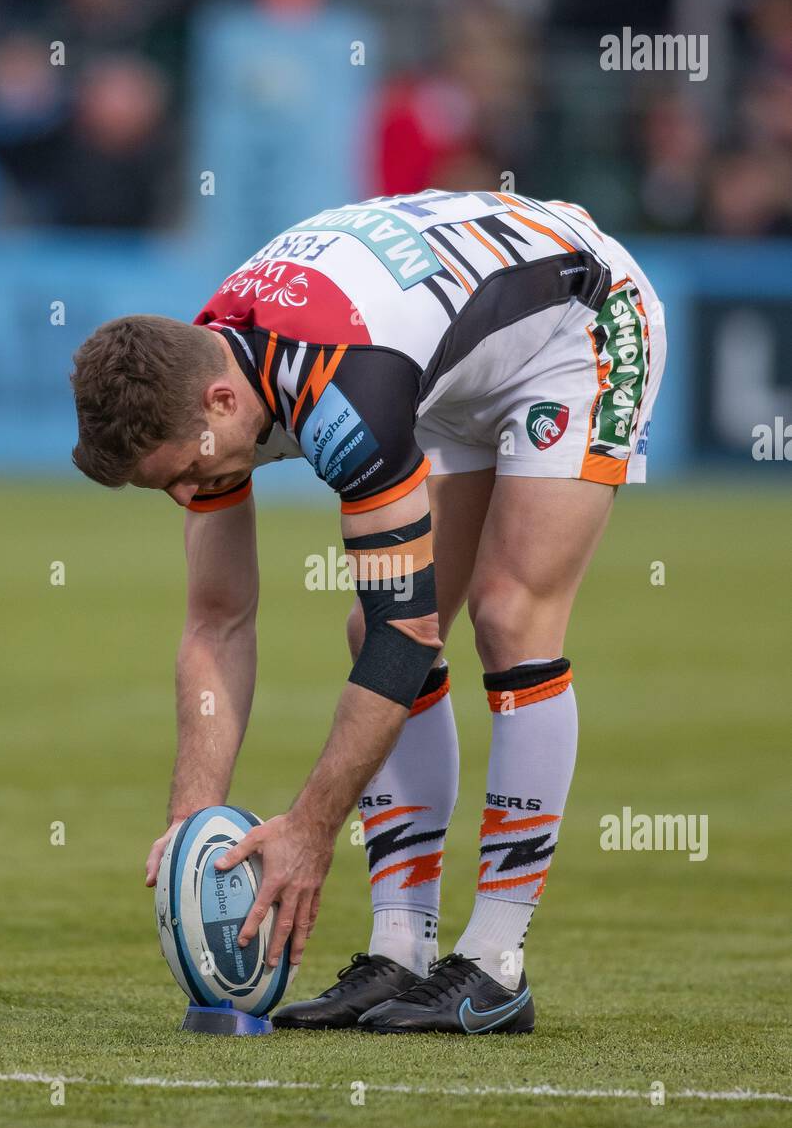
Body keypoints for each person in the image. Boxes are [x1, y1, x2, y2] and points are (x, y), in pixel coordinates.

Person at [71, 188, 666, 1035]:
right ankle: (401, 951)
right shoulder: (203, 369)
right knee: (369, 631)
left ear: (220, 405)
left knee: (505, 615)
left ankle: (496, 963)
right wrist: (189, 829)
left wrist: (312, 831)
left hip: (581, 319)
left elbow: (408, 632)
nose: (182, 495)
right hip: (457, 344)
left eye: (181, 473)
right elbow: (218, 620)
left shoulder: (343, 386)